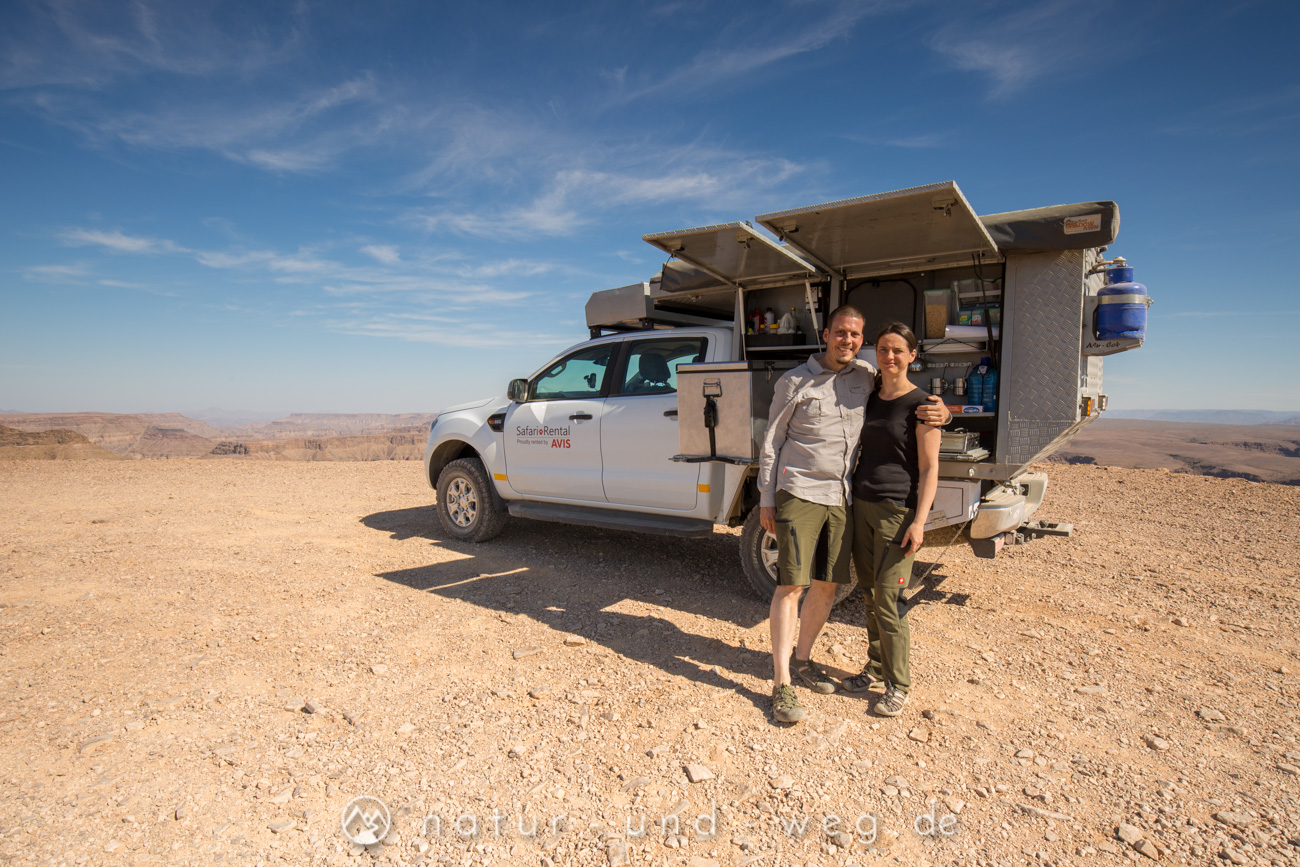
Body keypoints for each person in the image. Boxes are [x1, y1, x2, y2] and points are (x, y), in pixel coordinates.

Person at [758, 306, 949, 724]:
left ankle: (808, 662)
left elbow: (917, 422)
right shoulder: (796, 381)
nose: (848, 340)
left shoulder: (868, 378)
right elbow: (771, 441)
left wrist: (944, 412)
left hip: (846, 498)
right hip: (803, 493)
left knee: (833, 585)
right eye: (841, 332)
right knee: (793, 585)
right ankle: (782, 683)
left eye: (855, 335)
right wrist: (766, 497)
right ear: (826, 334)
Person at [842, 322, 941, 718]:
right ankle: (876, 666)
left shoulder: (923, 406)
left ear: (912, 356)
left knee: (890, 596)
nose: (890, 356)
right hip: (862, 503)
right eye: (883, 349)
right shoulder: (871, 397)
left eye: (898, 350)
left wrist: (920, 521)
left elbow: (931, 469)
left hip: (897, 511)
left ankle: (899, 684)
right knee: (868, 593)